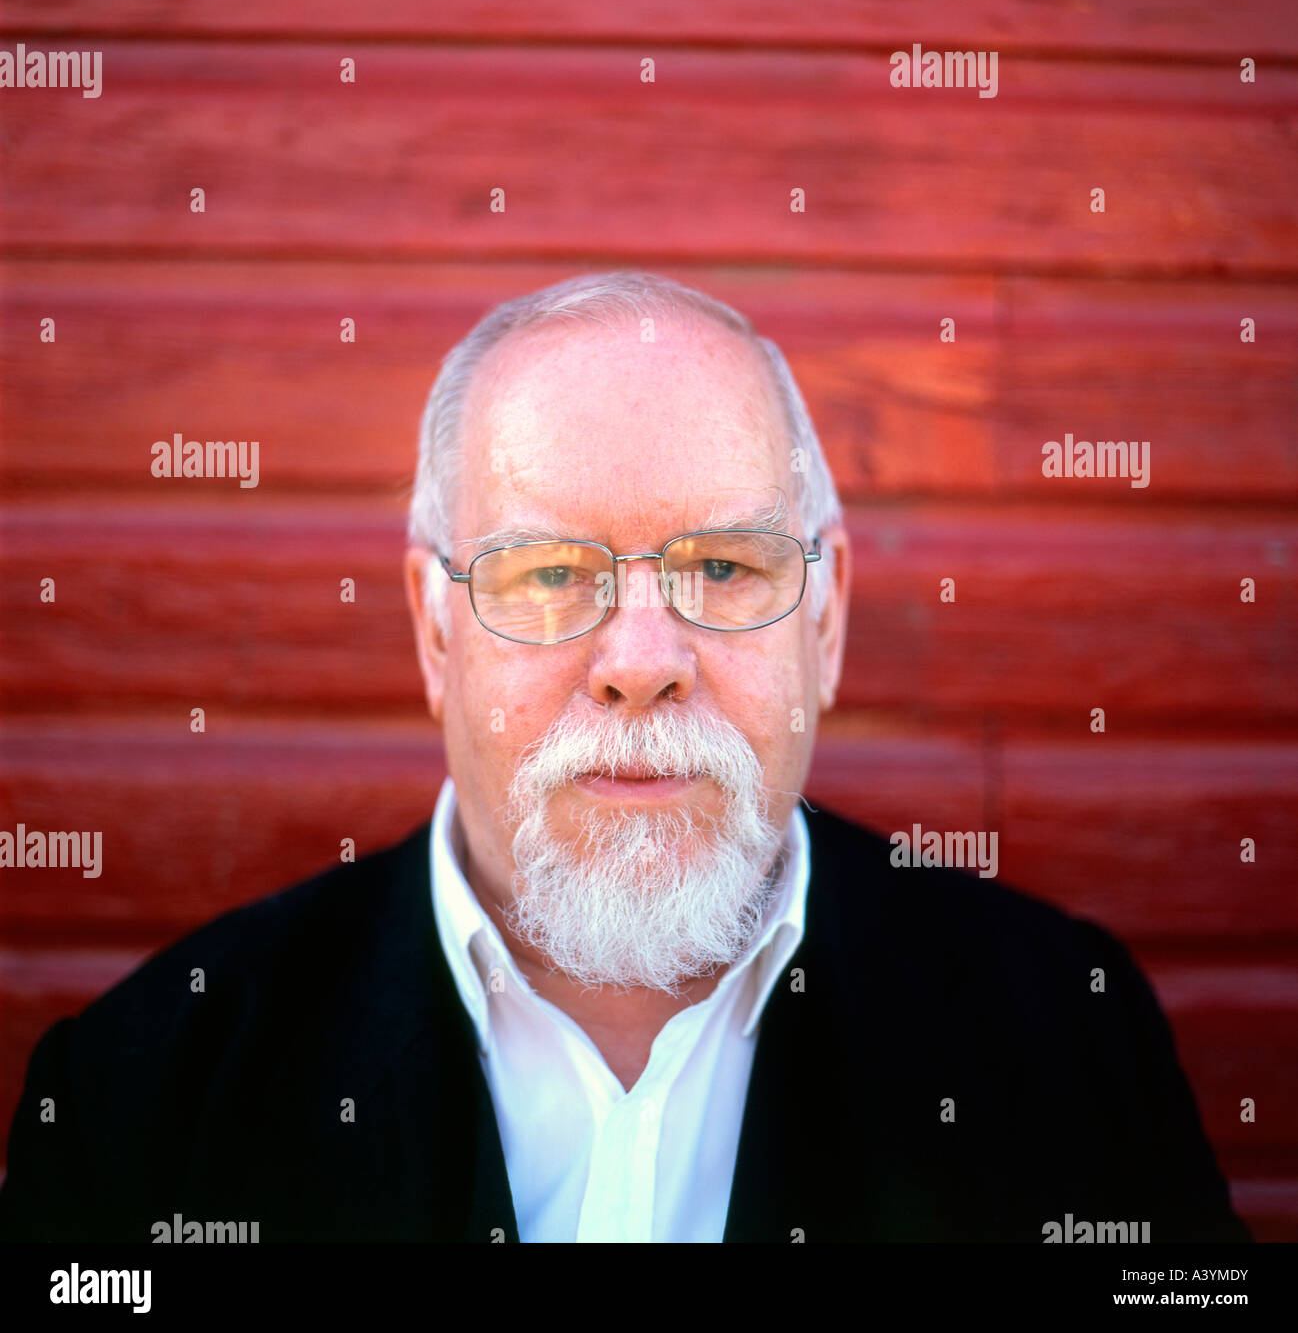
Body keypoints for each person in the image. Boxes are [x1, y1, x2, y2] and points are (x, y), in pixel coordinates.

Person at [0, 270, 1248, 1243]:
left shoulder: (1070, 1051)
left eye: (722, 567)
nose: (641, 658)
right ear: (435, 631)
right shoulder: (144, 1095)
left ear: (824, 618)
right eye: (549, 575)